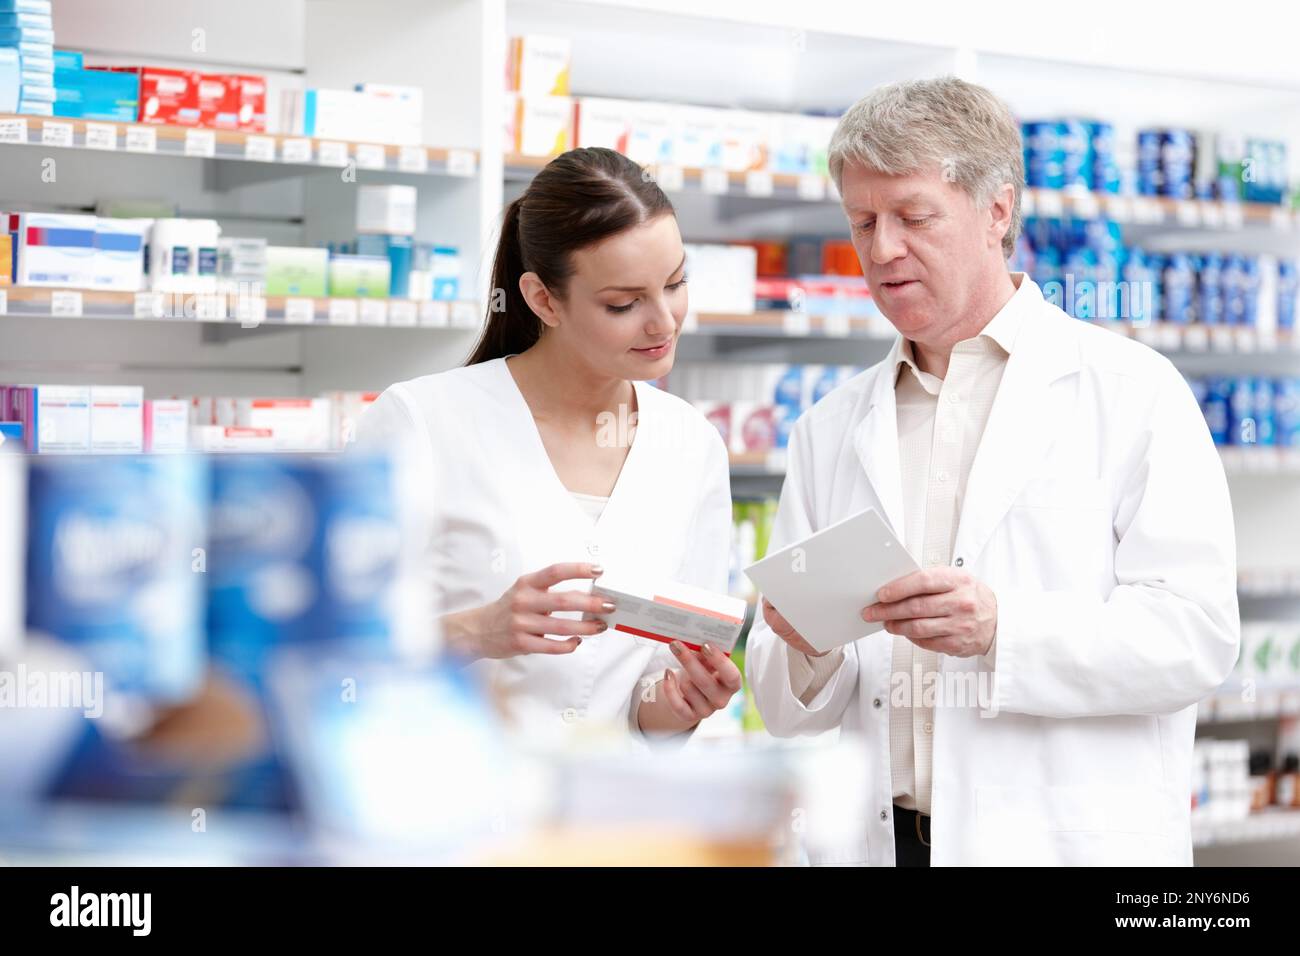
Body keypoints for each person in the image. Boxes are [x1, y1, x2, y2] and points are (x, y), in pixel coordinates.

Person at [745, 77, 1240, 866]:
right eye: (863, 221)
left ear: (998, 210)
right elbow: (789, 707)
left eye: (913, 216)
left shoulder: (1132, 392)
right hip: (881, 843)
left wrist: (1003, 631)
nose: (880, 250)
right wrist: (806, 648)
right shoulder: (830, 427)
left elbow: (1197, 639)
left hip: (1060, 846)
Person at [359, 147, 741, 745]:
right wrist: (477, 630)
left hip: (609, 820)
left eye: (675, 284)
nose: (664, 321)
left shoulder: (690, 444)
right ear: (542, 299)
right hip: (451, 807)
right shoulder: (421, 422)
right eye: (624, 303)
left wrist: (679, 704)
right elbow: (334, 650)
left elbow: (647, 702)